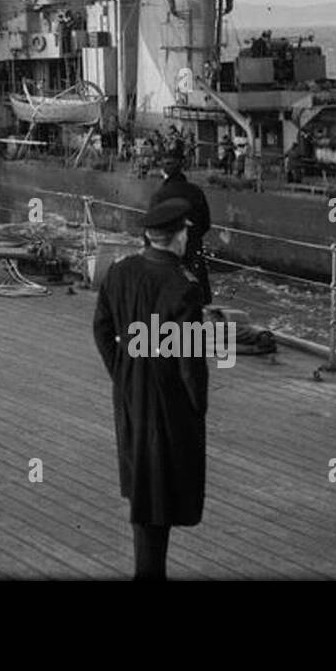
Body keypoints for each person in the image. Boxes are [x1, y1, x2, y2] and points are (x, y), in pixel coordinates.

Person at [92, 196, 208, 581]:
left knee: (141, 475)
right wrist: (197, 407)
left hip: (130, 392)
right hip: (170, 399)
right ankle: (149, 572)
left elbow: (102, 328)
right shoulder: (184, 285)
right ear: (178, 238)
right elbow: (190, 361)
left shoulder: (120, 271)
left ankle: (148, 569)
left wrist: (121, 371)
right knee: (163, 483)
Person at [150, 151, 213, 305]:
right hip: (194, 251)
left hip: (167, 256)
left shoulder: (159, 195)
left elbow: (151, 230)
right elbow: (206, 223)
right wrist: (192, 237)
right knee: (198, 297)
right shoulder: (196, 192)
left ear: (163, 170)